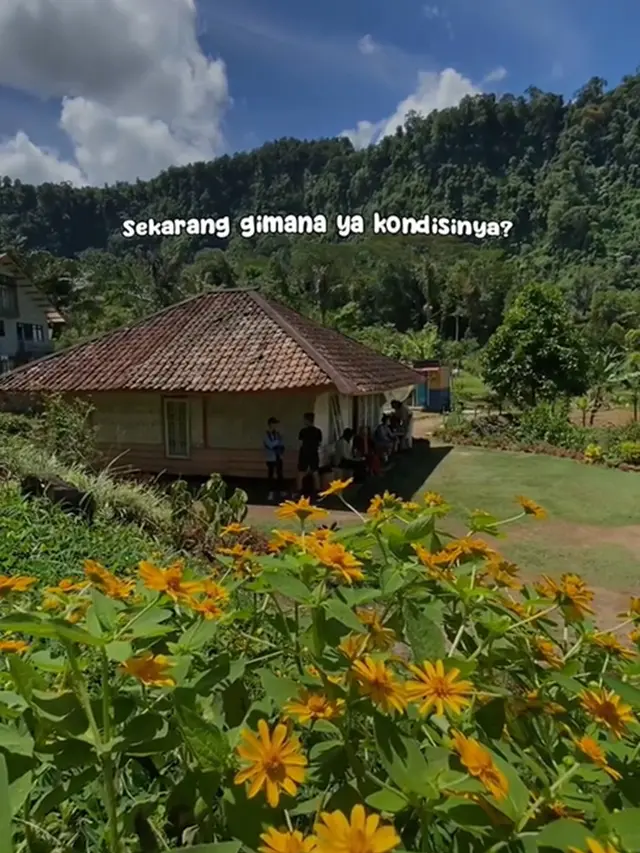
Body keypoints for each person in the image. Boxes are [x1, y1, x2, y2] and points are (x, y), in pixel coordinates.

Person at [296, 412, 323, 495]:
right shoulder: (318, 431)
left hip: (304, 453)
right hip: (314, 453)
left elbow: (300, 443)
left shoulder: (303, 431)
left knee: (301, 473)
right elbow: (319, 443)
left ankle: (299, 491)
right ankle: (317, 491)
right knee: (315, 472)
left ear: (306, 420)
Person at [263, 417, 285, 500]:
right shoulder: (266, 434)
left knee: (280, 474)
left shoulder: (277, 434)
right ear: (270, 424)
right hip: (271, 457)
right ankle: (271, 492)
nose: (275, 425)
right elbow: (270, 445)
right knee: (271, 475)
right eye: (274, 423)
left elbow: (281, 444)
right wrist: (278, 442)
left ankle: (281, 491)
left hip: (278, 457)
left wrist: (280, 445)